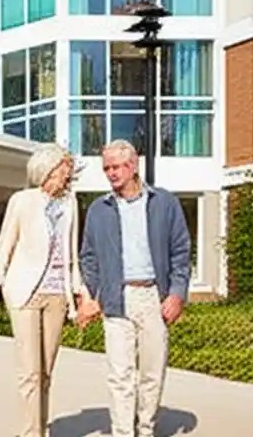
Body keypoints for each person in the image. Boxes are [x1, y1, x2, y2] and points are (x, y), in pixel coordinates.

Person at [76, 139, 191, 437]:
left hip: (153, 296)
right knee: (119, 374)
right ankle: (123, 432)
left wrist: (177, 293)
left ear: (133, 165)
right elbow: (87, 256)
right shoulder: (98, 210)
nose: (111, 173)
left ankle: (146, 426)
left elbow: (181, 251)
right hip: (116, 298)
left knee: (152, 372)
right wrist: (97, 291)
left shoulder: (165, 203)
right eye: (106, 168)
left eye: (116, 167)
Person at [0, 143, 85, 437]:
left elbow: (71, 251)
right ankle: (31, 433)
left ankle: (40, 428)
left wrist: (78, 290)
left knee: (46, 371)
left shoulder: (70, 203)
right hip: (24, 292)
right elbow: (5, 245)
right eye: (66, 165)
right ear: (50, 168)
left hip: (56, 295)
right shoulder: (22, 200)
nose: (70, 172)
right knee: (29, 371)